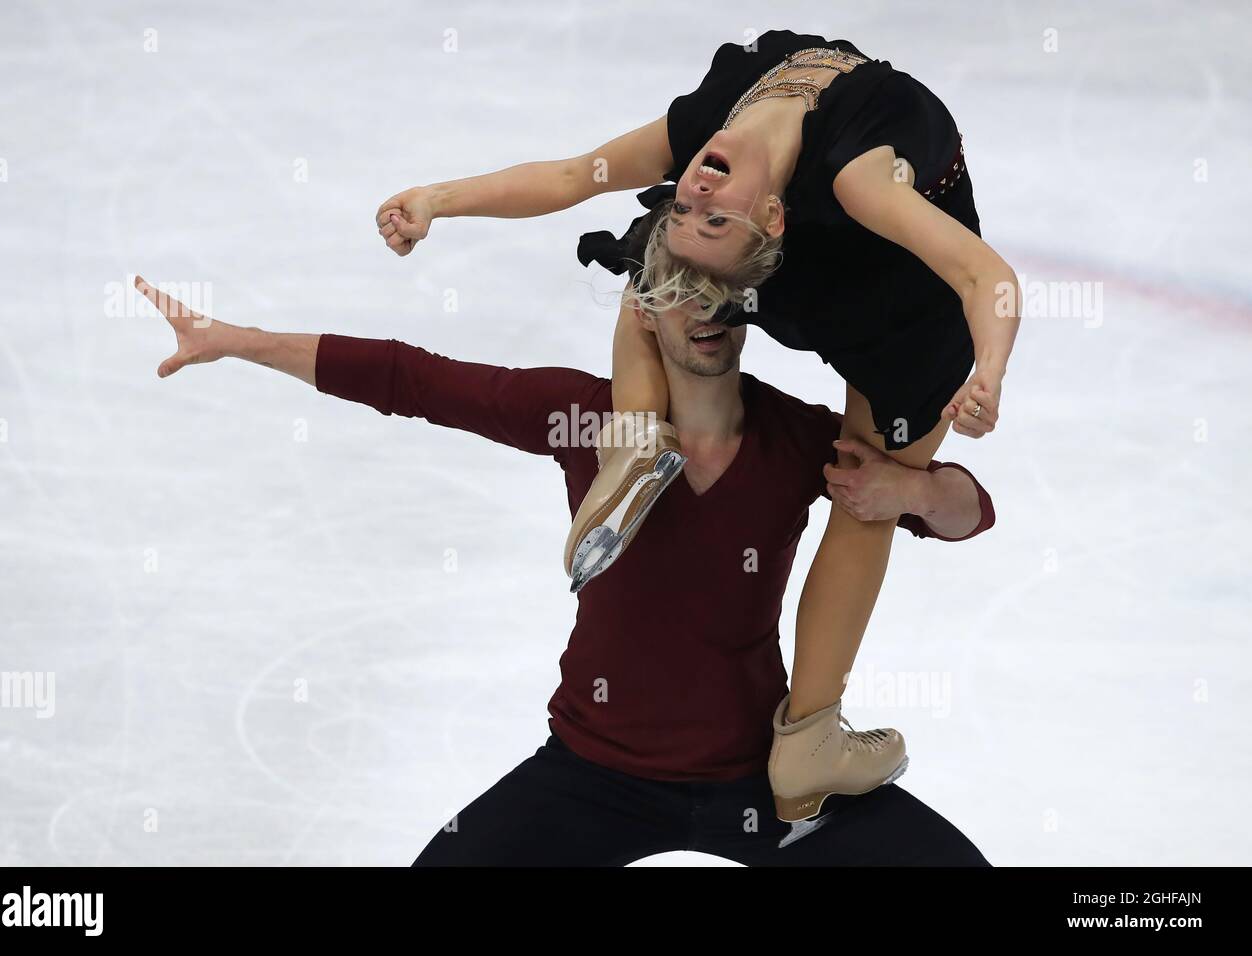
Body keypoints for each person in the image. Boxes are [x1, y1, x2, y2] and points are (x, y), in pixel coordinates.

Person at [374, 29, 1020, 833]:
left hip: (907, 311)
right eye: (693, 200)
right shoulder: (788, 161)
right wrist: (437, 201)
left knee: (866, 486)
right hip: (781, 258)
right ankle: (640, 445)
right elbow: (579, 176)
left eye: (695, 200)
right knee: (660, 261)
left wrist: (985, 368)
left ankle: (807, 738)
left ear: (775, 214)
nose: (694, 191)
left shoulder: (792, 155)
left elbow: (975, 277)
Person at [132, 275, 995, 865]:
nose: (703, 313)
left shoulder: (796, 437)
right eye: (677, 295)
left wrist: (907, 487)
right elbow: (415, 378)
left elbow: (968, 514)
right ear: (643, 313)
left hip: (763, 777)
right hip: (595, 771)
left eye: (720, 298)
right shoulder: (582, 419)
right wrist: (240, 340)